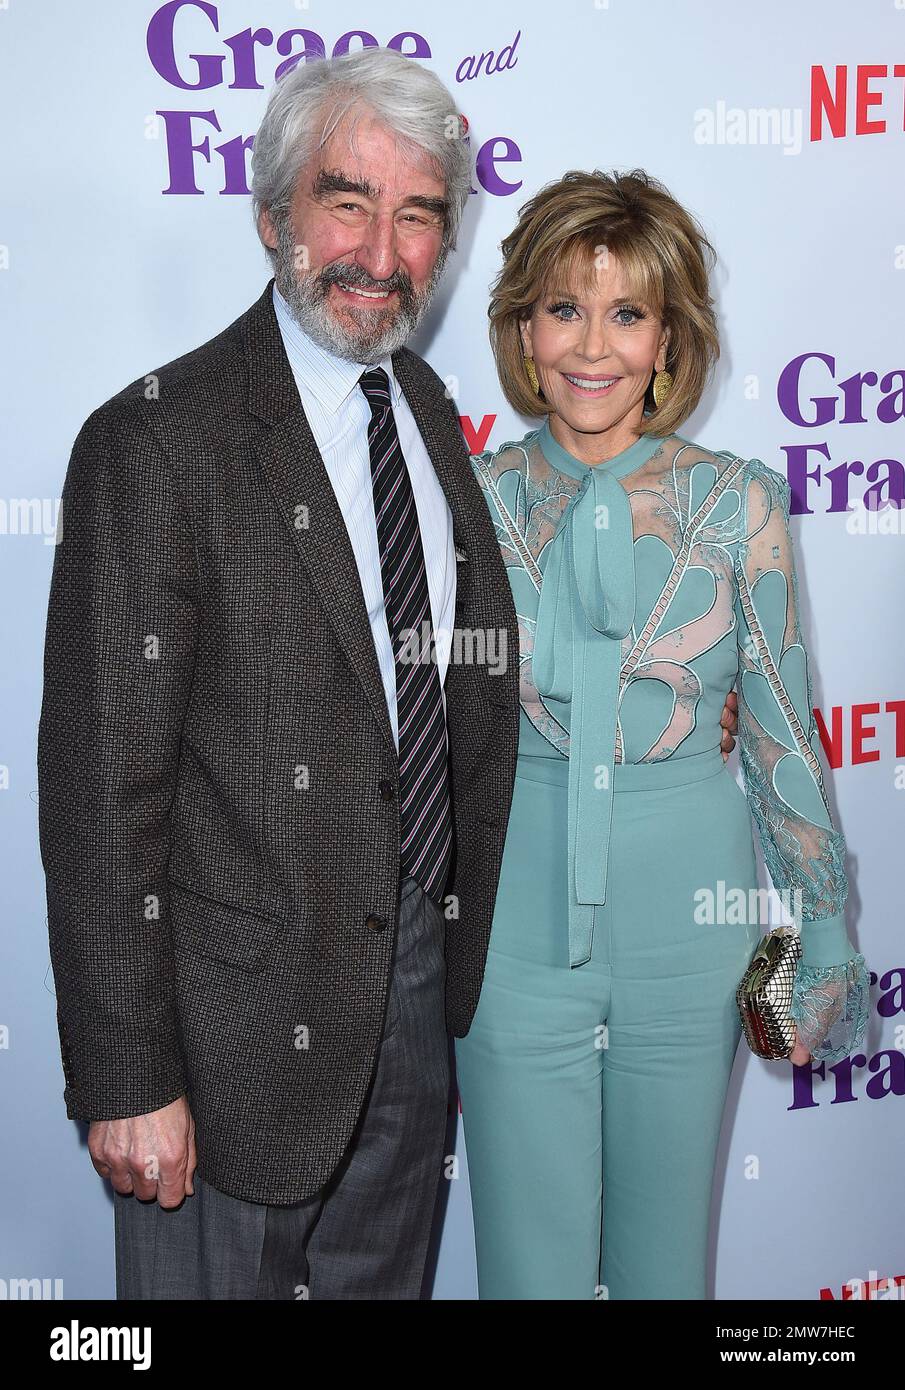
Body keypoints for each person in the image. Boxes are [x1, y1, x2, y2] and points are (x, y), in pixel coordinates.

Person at [37, 49, 740, 1300]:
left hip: (416, 1012)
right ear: (271, 217)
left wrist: (677, 698)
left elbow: (454, 672)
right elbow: (101, 793)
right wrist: (129, 1074)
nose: (380, 246)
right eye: (346, 199)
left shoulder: (422, 409)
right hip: (225, 1044)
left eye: (418, 214)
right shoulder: (153, 441)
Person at [453, 168, 870, 1301]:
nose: (593, 345)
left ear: (669, 337)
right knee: (527, 1281)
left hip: (691, 937)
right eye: (562, 307)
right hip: (507, 945)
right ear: (521, 330)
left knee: (661, 1277)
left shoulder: (736, 503)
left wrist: (822, 930)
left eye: (626, 311)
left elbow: (781, 724)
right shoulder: (466, 501)